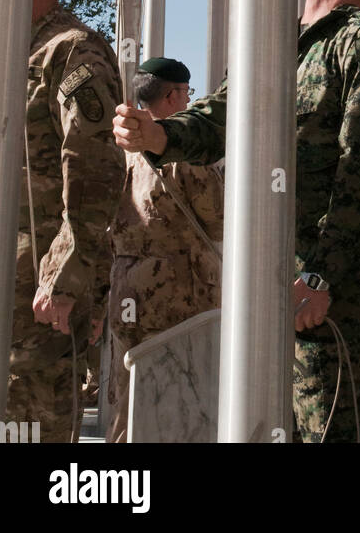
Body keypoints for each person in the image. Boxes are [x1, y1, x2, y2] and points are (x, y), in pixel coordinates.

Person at [113, 0, 360, 443]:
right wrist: (156, 136)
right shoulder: (271, 45)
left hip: (334, 290)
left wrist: (322, 275)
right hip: (265, 282)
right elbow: (217, 118)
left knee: (338, 432)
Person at [7, 0, 125, 442]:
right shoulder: (13, 50)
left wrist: (67, 276)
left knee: (28, 429)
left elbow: (95, 168)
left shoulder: (70, 52)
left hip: (34, 290)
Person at [107, 57, 224, 443]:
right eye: (187, 94)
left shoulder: (116, 145)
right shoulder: (180, 150)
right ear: (172, 96)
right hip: (179, 291)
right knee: (180, 405)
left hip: (125, 284)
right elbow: (217, 215)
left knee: (129, 397)